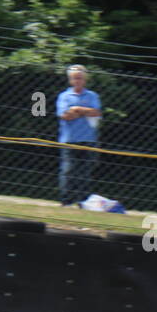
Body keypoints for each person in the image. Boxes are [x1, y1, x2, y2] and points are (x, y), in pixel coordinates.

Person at [56, 65, 103, 206]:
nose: (78, 81)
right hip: (69, 140)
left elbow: (97, 113)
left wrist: (76, 109)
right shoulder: (64, 96)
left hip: (88, 140)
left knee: (85, 174)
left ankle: (84, 202)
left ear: (85, 79)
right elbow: (64, 116)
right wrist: (85, 111)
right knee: (68, 172)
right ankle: (66, 202)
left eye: (80, 78)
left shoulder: (93, 96)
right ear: (70, 80)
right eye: (75, 78)